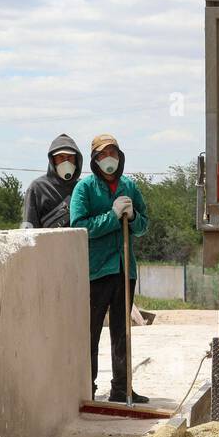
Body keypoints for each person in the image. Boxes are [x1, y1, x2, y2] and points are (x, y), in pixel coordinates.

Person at [70, 134, 149, 402]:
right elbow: (81, 227)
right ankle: (86, 388)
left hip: (125, 270)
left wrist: (133, 217)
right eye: (103, 155)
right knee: (91, 333)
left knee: (121, 333)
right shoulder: (85, 189)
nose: (109, 159)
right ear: (94, 160)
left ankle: (122, 388)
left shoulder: (129, 186)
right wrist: (112, 217)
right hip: (96, 272)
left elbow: (144, 226)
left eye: (113, 153)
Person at [22, 134, 83, 228]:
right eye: (61, 157)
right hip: (47, 242)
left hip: (78, 242)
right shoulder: (38, 188)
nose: (66, 162)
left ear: (76, 160)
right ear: (53, 160)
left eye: (70, 157)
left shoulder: (82, 187)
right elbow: (29, 226)